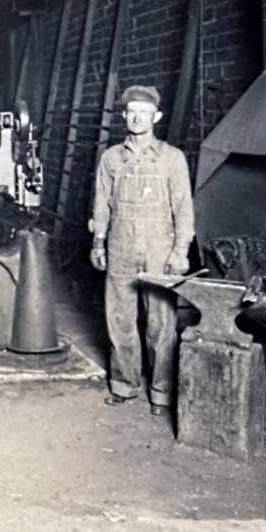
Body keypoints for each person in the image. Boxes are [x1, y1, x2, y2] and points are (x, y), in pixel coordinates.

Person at [89, 84, 194, 416]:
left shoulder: (171, 158)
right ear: (124, 116)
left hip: (159, 250)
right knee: (119, 318)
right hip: (120, 246)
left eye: (144, 113)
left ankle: (162, 392)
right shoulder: (110, 158)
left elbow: (184, 209)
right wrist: (98, 242)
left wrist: (180, 252)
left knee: (161, 324)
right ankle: (125, 384)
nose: (137, 118)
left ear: (156, 116)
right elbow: (102, 205)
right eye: (132, 112)